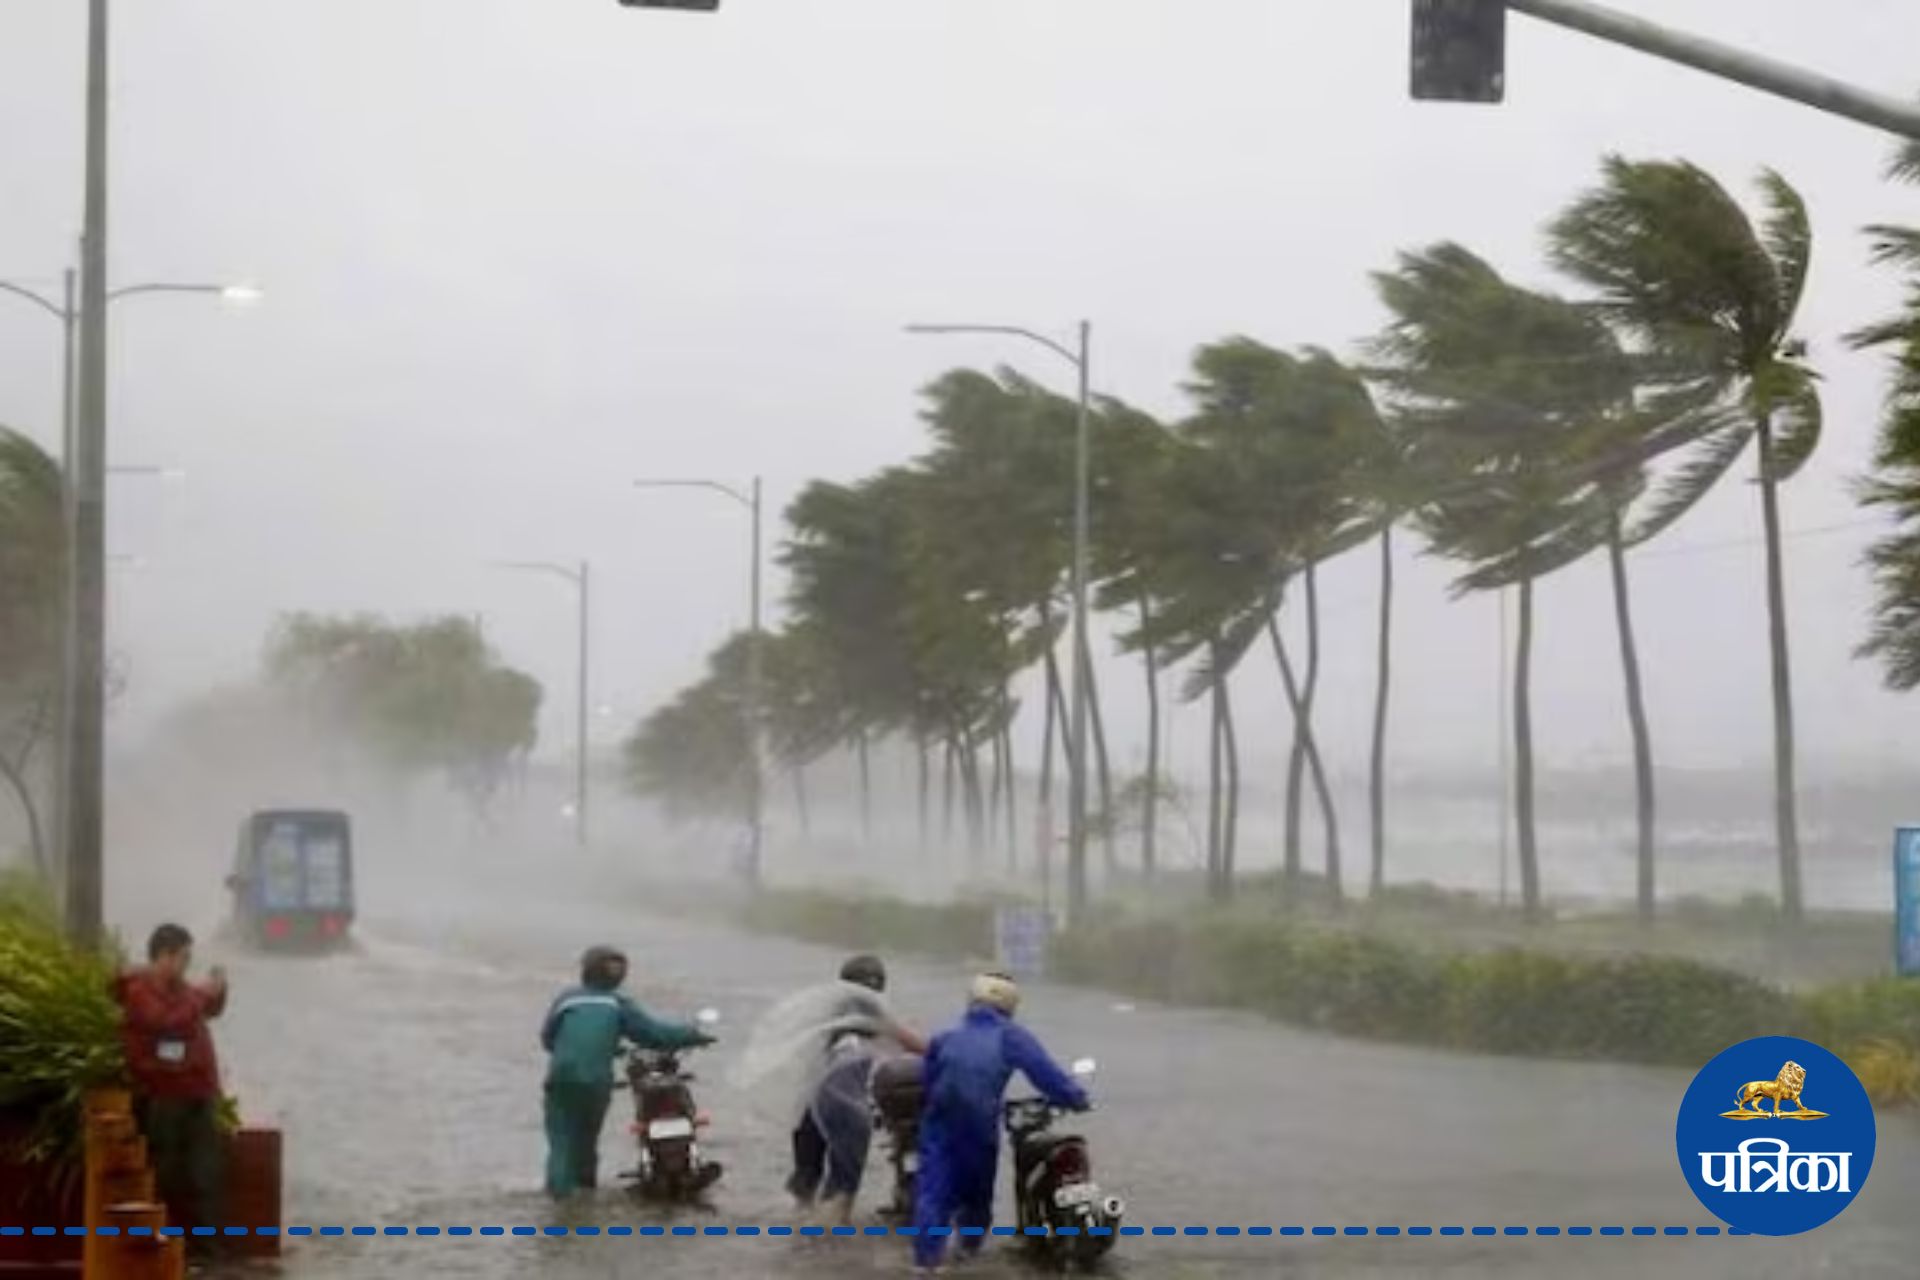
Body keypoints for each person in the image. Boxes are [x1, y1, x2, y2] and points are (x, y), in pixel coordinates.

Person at [911, 972, 1088, 1275]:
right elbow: (1046, 1075)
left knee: (932, 1193)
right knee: (977, 1195)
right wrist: (1076, 1098)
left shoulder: (944, 1038)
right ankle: (968, 1256)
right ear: (1010, 1005)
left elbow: (928, 1084)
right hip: (979, 1124)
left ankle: (927, 1263)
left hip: (939, 1124)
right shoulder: (1011, 1036)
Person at [540, 945, 715, 1199]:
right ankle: (584, 1195)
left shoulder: (566, 999)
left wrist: (601, 1048)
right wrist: (693, 1035)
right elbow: (654, 1034)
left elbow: (548, 1039)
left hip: (560, 1079)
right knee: (587, 1142)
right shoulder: (616, 1003)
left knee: (561, 1143)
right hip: (596, 1081)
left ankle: (558, 1201)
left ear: (586, 970)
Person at [784, 954, 926, 1224]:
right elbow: (912, 1044)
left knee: (806, 1176)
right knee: (843, 1184)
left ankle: (799, 1236)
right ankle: (829, 1242)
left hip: (810, 1102)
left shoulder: (827, 1014)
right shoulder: (870, 1015)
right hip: (846, 1106)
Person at [113, 924, 229, 1252]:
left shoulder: (182, 989)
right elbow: (167, 1020)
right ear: (162, 956)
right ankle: (168, 1245)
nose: (186, 966)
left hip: (198, 1089)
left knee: (205, 1170)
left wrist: (219, 988)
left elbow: (207, 1009)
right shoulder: (140, 991)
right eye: (182, 958)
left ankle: (207, 1246)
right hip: (165, 1092)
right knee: (168, 1171)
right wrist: (204, 992)